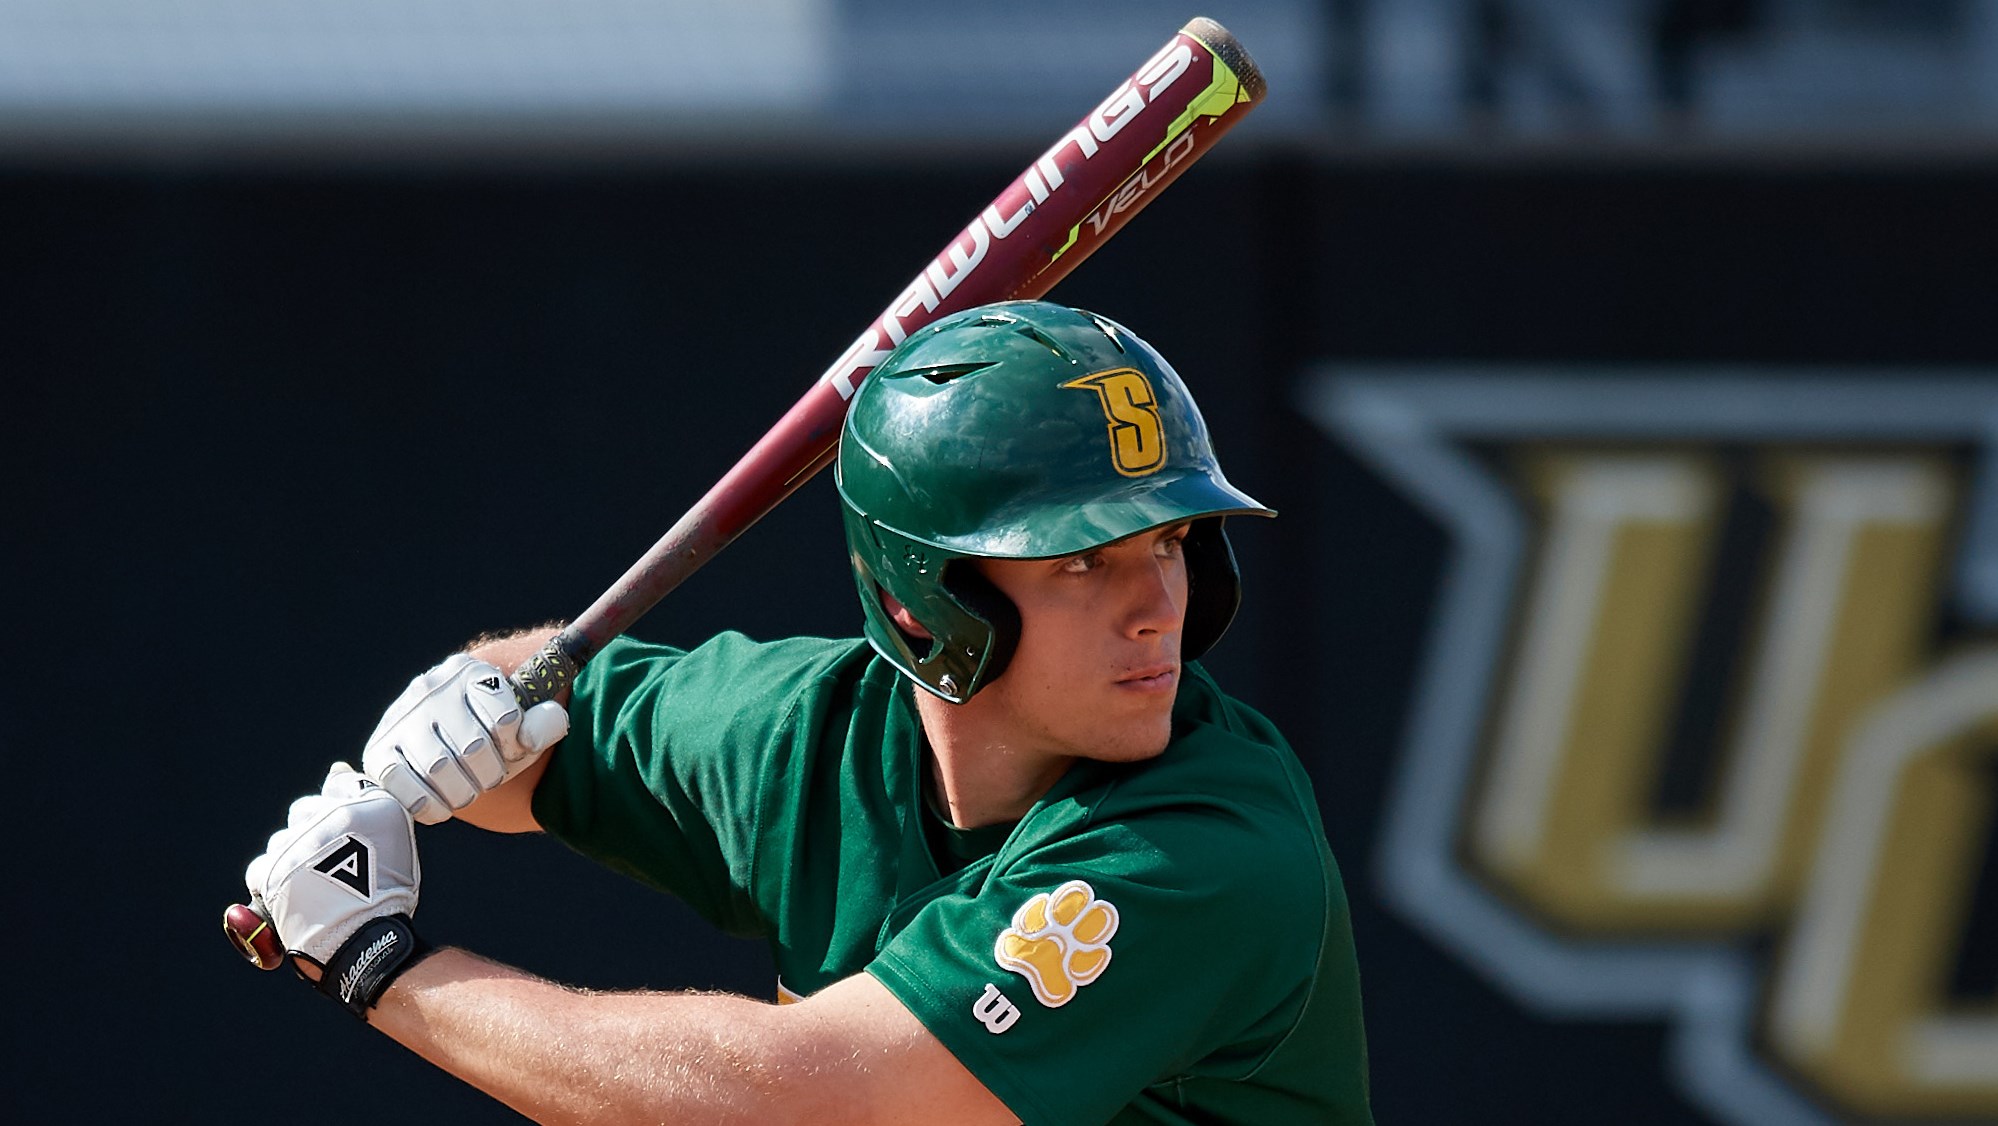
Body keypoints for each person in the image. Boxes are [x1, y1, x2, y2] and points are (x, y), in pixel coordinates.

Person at [242, 300, 1374, 1125]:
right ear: (924, 599)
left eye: (1170, 542)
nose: (1159, 608)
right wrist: (473, 702)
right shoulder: (810, 731)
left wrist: (379, 964)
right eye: (1083, 561)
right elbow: (549, 723)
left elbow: (811, 1104)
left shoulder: (1205, 854)